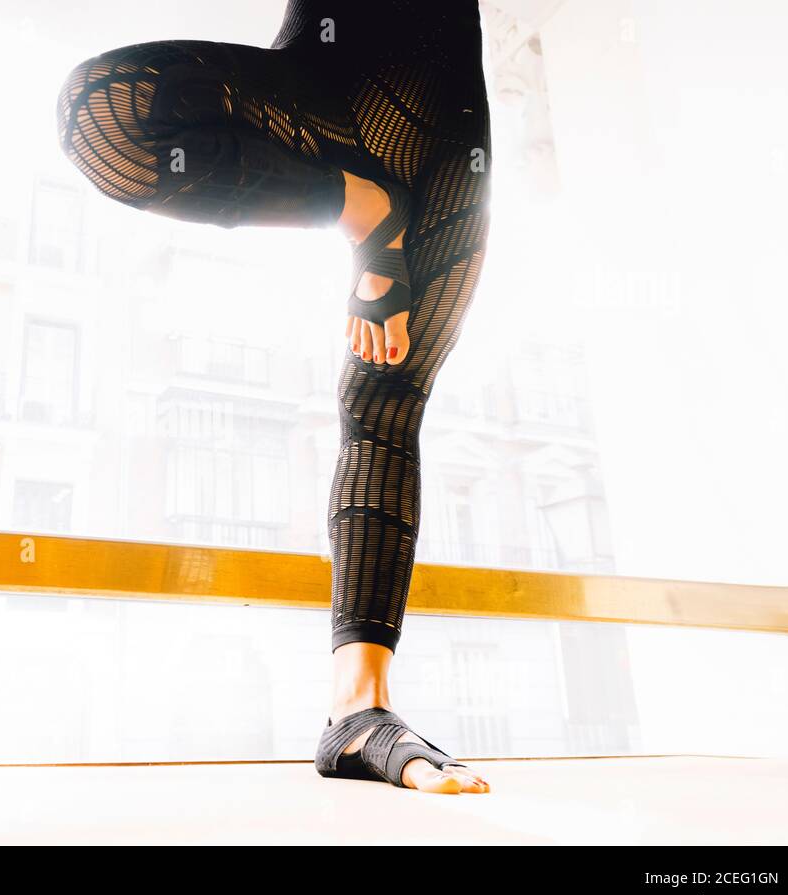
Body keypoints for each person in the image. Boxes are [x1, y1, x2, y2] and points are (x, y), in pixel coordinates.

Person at [57, 0, 492, 793]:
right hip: (326, 90)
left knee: (384, 407)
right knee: (104, 117)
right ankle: (363, 203)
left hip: (445, 151)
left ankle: (359, 711)